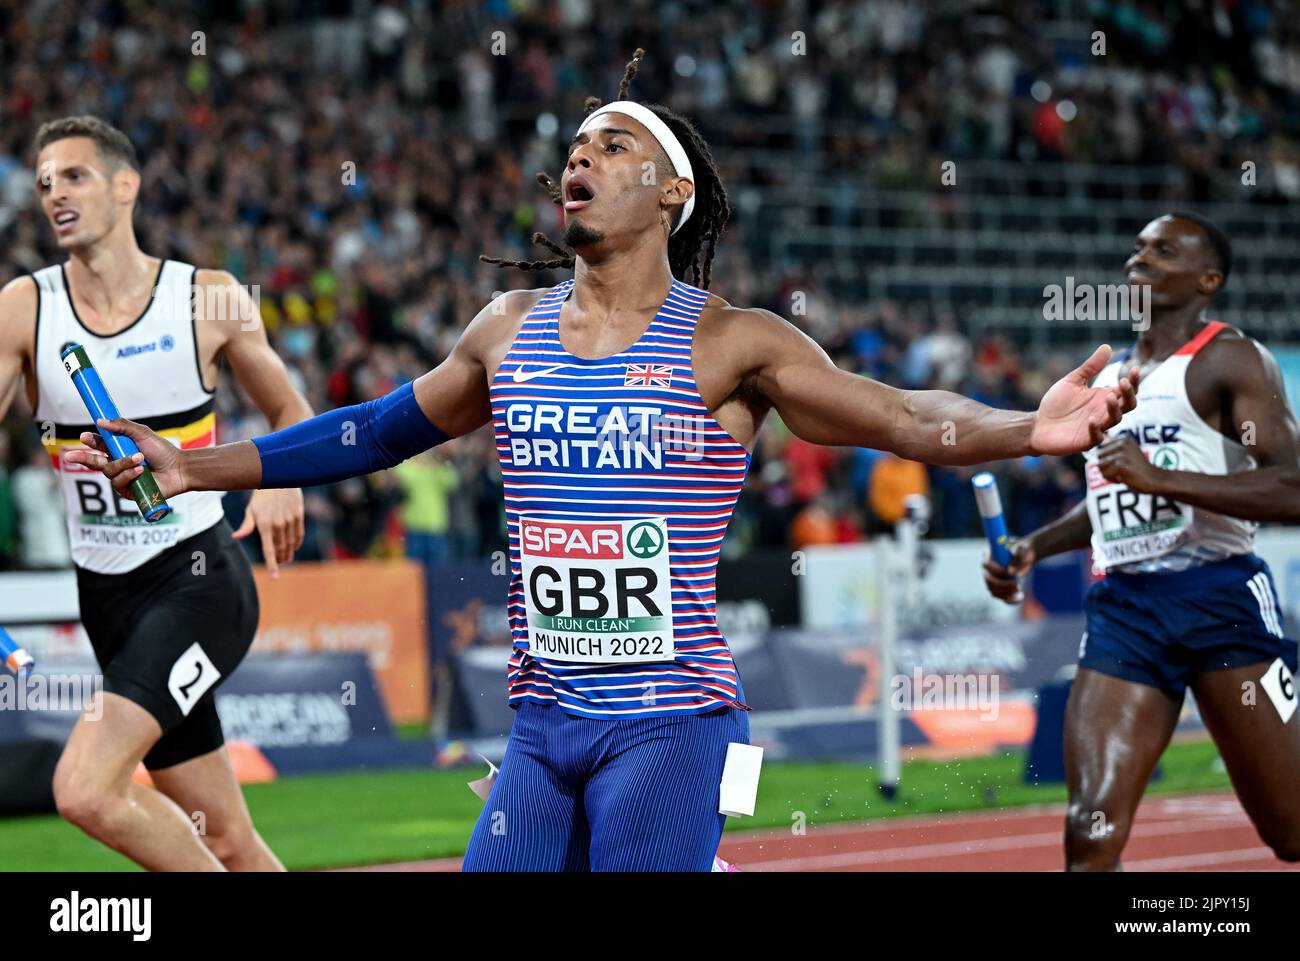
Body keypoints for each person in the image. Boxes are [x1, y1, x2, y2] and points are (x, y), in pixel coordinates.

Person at [70, 52, 1137, 872]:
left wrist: (1022, 427)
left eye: (613, 145)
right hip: (541, 724)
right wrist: (197, 469)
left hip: (674, 718)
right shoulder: (504, 329)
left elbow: (906, 415)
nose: (579, 159)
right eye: (574, 149)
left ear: (671, 193)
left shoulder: (731, 341)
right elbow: (375, 429)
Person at [0, 115, 313, 871]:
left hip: (198, 579)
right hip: (106, 597)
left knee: (84, 787)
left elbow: (292, 409)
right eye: (44, 183)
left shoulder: (211, 295)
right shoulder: (21, 307)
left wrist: (281, 478)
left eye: (73, 176)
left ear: (126, 185)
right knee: (227, 837)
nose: (54, 195)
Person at [983, 213, 1300, 870]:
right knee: (1090, 832)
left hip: (1223, 602)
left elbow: (1292, 488)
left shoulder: (1230, 357)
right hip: (1127, 611)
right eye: (1137, 248)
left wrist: (1162, 476)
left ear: (1208, 278)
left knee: (1292, 830)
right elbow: (1111, 503)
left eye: (1164, 250)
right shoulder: (1110, 379)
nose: (1140, 259)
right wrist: (1033, 546)